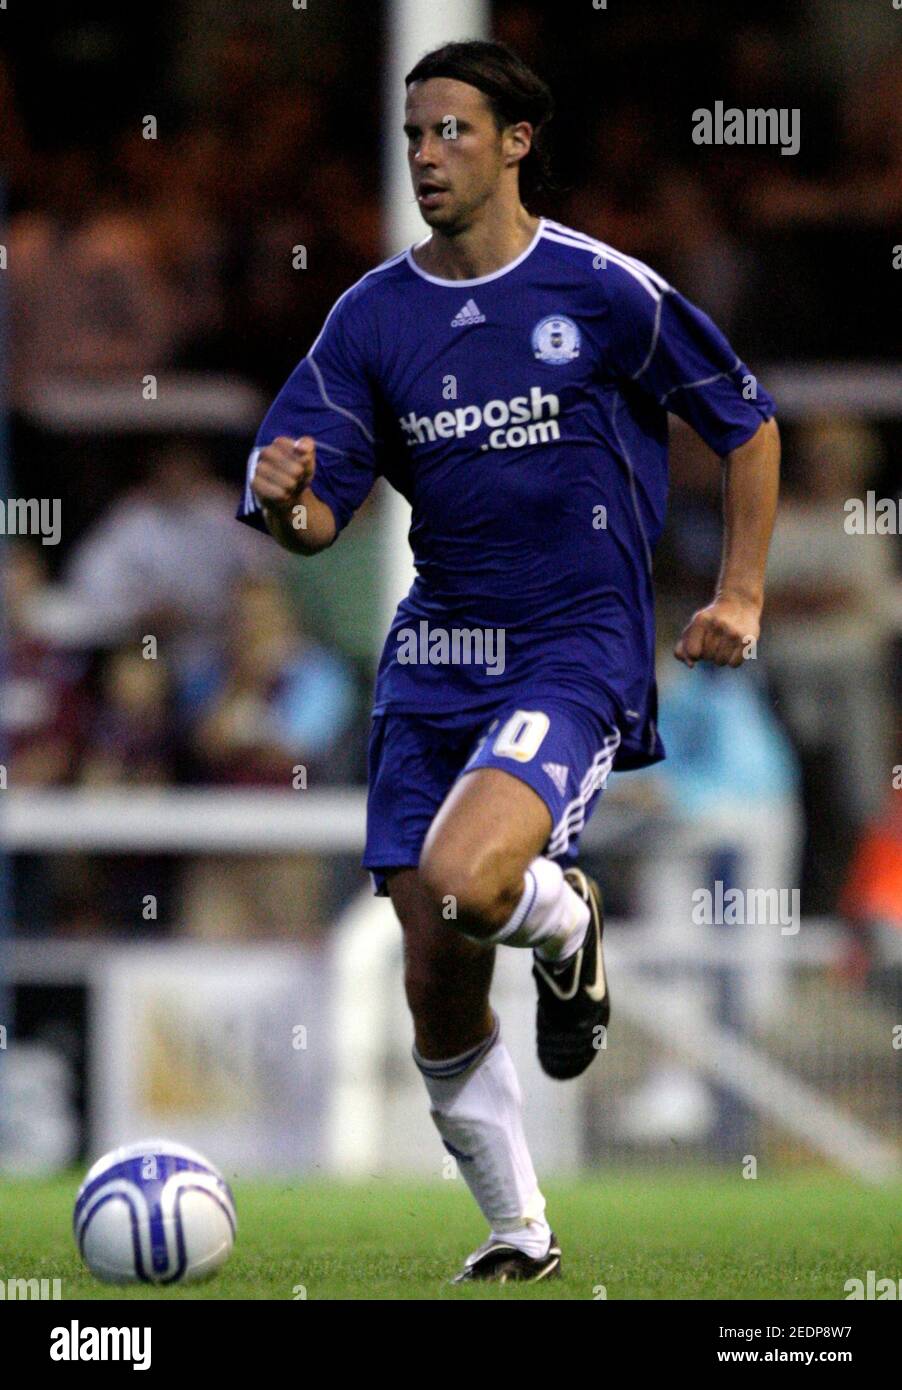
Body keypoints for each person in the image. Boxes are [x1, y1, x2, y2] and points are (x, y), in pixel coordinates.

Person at [237, 40, 780, 1283]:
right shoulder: (370, 316)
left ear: (515, 142)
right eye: (413, 135)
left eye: (452, 133)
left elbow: (743, 423)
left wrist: (738, 591)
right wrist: (283, 505)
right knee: (434, 976)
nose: (425, 156)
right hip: (432, 657)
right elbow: (321, 512)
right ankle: (519, 1232)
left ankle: (564, 912)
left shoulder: (600, 290)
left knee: (469, 878)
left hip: (570, 648)